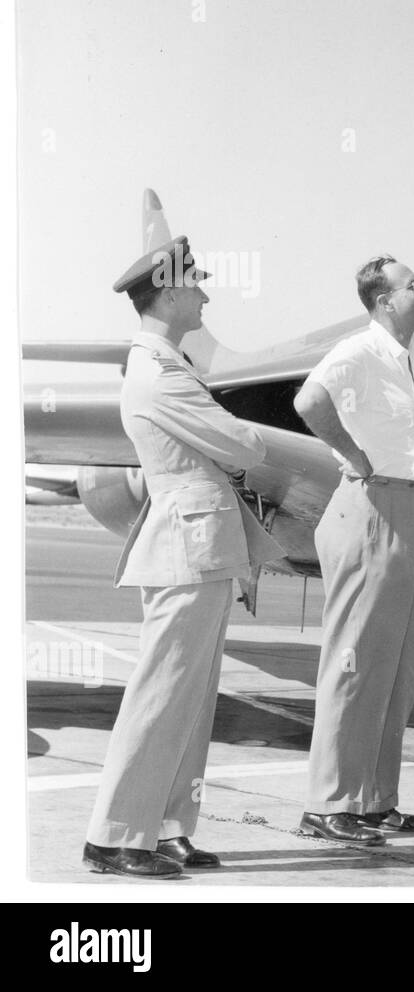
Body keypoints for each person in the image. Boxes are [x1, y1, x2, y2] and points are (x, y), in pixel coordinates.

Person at [84, 236, 285, 878]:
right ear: (168, 293)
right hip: (186, 548)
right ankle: (115, 836)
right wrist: (248, 431)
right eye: (195, 283)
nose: (203, 292)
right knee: (162, 693)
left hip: (202, 545)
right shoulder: (160, 372)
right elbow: (243, 445)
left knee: (191, 699)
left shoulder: (169, 366)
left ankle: (168, 826)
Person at [294, 255, 414, 845]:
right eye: (411, 284)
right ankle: (327, 805)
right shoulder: (359, 351)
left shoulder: (410, 362)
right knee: (354, 661)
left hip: (412, 513)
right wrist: (353, 457)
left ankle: (375, 801)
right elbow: (309, 402)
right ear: (383, 301)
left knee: (395, 669)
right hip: (373, 509)